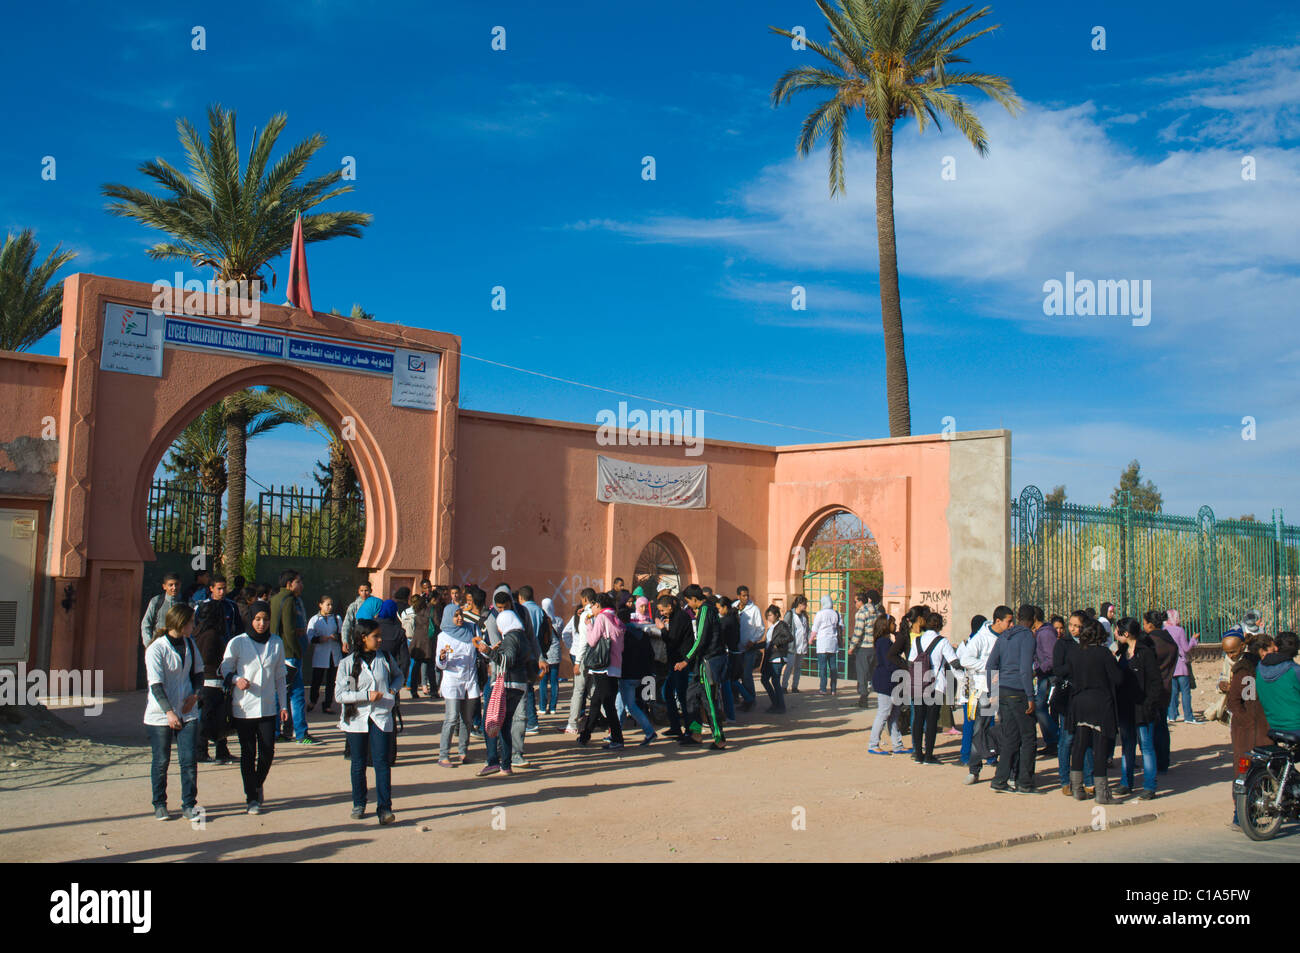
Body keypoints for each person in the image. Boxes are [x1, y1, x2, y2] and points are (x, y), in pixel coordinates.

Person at [220, 599, 289, 814]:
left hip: (268, 706)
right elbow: (224, 669)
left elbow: (280, 677)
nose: (261, 624)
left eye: (265, 620)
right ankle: (251, 797)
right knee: (248, 752)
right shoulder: (238, 642)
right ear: (250, 619)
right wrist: (236, 679)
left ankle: (257, 783)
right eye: (257, 619)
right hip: (244, 707)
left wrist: (284, 705)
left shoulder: (276, 642)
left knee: (268, 751)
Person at [143, 604, 204, 821]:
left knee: (188, 760)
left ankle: (189, 804)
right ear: (180, 623)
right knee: (161, 761)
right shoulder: (156, 648)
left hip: (188, 711)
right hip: (161, 715)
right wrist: (169, 712)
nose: (193, 625)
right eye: (191, 622)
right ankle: (159, 803)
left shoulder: (190, 644)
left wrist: (195, 696)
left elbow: (199, 674)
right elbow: (156, 684)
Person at [336, 619, 398, 824]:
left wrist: (392, 690)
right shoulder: (347, 663)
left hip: (380, 716)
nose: (380, 640)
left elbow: (399, 676)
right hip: (357, 719)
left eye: (380, 636)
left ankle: (385, 808)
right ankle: (359, 803)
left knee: (382, 762)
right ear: (363, 638)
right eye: (375, 636)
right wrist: (365, 695)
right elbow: (341, 695)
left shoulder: (386, 658)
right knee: (358, 763)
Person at [1059, 617, 1122, 802]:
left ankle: (1077, 789)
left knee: (1079, 745)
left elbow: (1066, 672)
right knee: (1100, 748)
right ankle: (1102, 793)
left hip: (1078, 702)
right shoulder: (1103, 654)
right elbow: (1118, 679)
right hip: (1100, 703)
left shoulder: (1073, 653)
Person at [476, 592, 531, 774]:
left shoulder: (511, 638)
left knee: (492, 721)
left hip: (507, 684)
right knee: (505, 724)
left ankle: (495, 761)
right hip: (519, 684)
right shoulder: (521, 636)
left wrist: (489, 651)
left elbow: (507, 661)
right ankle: (505, 765)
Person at [987, 604, 1038, 794]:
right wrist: (1031, 697)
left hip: (1003, 691)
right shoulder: (1027, 637)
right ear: (1032, 619)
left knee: (1010, 738)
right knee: (1028, 738)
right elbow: (1025, 669)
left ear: (1017, 617)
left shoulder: (1004, 637)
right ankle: (1024, 781)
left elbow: (991, 664)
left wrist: (993, 692)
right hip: (1019, 692)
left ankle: (1000, 780)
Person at [1225, 633, 1271, 827]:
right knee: (1247, 771)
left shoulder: (1249, 670)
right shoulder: (1248, 671)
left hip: (1253, 728)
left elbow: (1235, 700)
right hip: (1252, 729)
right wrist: (1247, 720)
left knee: (1252, 771)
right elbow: (1235, 701)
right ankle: (1242, 814)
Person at [1114, 618, 1162, 800]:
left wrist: (1149, 704)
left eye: (1118, 631)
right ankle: (1126, 783)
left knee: (1147, 747)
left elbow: (1156, 682)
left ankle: (1150, 786)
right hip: (1126, 708)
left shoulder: (1145, 653)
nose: (1116, 634)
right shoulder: (1123, 653)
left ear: (1126, 633)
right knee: (1127, 746)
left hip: (1143, 708)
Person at [959, 608, 1008, 782]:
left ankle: (1003, 768)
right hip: (985, 690)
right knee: (980, 729)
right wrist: (989, 665)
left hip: (1005, 688)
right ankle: (974, 769)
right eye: (1008, 621)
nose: (1011, 625)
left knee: (1006, 728)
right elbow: (965, 660)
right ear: (997, 621)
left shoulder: (1007, 637)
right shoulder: (980, 638)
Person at [676, 584, 727, 749]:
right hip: (702, 661)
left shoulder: (705, 610)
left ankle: (719, 739)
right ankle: (696, 734)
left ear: (695, 599)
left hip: (708, 660)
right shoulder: (707, 609)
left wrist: (686, 660)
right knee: (691, 696)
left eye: (689, 602)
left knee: (709, 701)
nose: (689, 605)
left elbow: (701, 639)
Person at [270, 570, 318, 745]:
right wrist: (296, 650)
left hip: (281, 652)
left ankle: (278, 731)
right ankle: (301, 733)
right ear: (289, 583)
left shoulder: (276, 599)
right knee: (296, 694)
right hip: (289, 654)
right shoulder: (288, 600)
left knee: (280, 692)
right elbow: (289, 630)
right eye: (298, 582)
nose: (301, 585)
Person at [577, 592, 626, 750]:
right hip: (615, 666)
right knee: (597, 702)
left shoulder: (601, 618)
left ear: (598, 605)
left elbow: (592, 641)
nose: (591, 608)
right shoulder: (617, 619)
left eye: (593, 605)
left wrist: (589, 625)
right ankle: (586, 735)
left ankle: (617, 738)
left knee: (607, 704)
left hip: (602, 667)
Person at [435, 602, 480, 767]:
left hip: (470, 680)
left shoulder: (472, 629)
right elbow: (441, 666)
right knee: (452, 717)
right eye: (456, 615)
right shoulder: (443, 636)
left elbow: (480, 650)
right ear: (448, 617)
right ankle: (443, 755)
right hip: (452, 680)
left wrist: (484, 647)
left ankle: (463, 752)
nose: (460, 618)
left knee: (467, 719)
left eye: (461, 614)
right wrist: (442, 657)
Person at [192, 600, 235, 765]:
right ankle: (201, 752)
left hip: (207, 682)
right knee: (209, 719)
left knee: (215, 718)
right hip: (211, 682)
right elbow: (207, 658)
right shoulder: (211, 635)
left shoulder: (197, 633)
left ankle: (221, 751)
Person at [906, 611, 948, 764]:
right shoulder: (943, 642)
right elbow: (954, 661)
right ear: (940, 625)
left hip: (918, 684)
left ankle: (918, 754)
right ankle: (929, 755)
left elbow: (910, 662)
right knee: (931, 720)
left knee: (918, 718)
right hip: (935, 685)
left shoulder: (917, 641)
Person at [616, 603, 656, 745]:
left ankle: (649, 731)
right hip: (641, 674)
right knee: (622, 704)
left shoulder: (622, 634)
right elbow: (651, 654)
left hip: (626, 674)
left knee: (629, 706)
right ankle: (615, 732)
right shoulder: (642, 634)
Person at [1144, 610, 1177, 771]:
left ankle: (1155, 763)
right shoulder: (1169, 641)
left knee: (1151, 729)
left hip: (1152, 689)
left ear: (1150, 624)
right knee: (1162, 726)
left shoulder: (1151, 642)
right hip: (1166, 687)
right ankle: (1164, 761)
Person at [564, 588, 599, 734]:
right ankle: (610, 720)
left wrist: (578, 662)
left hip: (584, 656)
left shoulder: (586, 615)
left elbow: (583, 641)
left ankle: (572, 724)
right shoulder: (599, 614)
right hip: (597, 656)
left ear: (584, 599)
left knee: (578, 691)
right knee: (594, 690)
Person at [658, 593, 693, 737]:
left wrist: (662, 629)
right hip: (674, 662)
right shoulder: (675, 617)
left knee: (682, 694)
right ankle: (675, 726)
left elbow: (672, 640)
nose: (661, 613)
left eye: (662, 610)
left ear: (670, 607)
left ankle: (689, 730)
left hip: (681, 662)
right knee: (668, 692)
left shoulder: (680, 618)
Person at [1256, 632, 1300, 733]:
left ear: (1275, 647)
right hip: (1296, 726)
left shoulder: (1259, 668)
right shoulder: (1295, 671)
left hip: (1271, 724)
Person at [306, 596, 343, 715]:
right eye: (327, 604)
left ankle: (327, 704)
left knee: (331, 681)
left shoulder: (337, 618)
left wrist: (337, 637)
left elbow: (342, 634)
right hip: (321, 653)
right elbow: (309, 637)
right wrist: (320, 638)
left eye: (331, 604)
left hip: (334, 653)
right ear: (320, 605)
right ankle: (313, 701)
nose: (330, 607)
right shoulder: (314, 619)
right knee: (317, 680)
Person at [1164, 610, 1201, 724]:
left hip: (1170, 666)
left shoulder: (1164, 631)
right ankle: (1188, 717)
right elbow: (1185, 648)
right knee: (1185, 692)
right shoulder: (1180, 630)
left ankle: (1171, 715)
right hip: (1181, 665)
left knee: (1173, 692)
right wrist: (1193, 640)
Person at [1032, 605, 1059, 754]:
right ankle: (1052, 741)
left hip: (1048, 676)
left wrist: (1037, 671)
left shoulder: (1045, 634)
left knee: (1040, 708)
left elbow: (1051, 659)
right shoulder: (1041, 633)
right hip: (1044, 675)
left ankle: (1056, 737)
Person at [734, 586, 764, 712]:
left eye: (747, 595)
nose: (746, 598)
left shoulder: (754, 609)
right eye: (743, 595)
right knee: (736, 675)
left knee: (747, 675)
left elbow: (760, 628)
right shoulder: (734, 607)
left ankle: (750, 700)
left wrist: (753, 641)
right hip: (736, 649)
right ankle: (739, 698)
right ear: (738, 596)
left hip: (749, 648)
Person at [759, 604, 792, 713]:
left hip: (778, 657)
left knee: (775, 681)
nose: (769, 617)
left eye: (770, 615)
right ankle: (775, 703)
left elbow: (789, 637)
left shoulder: (781, 625)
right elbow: (768, 643)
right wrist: (754, 646)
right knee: (764, 679)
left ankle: (780, 706)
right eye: (767, 615)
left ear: (777, 615)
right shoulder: (771, 627)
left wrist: (777, 643)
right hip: (771, 657)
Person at [848, 591, 877, 709]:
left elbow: (858, 632)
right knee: (870, 672)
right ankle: (865, 697)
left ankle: (863, 698)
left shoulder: (861, 613)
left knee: (862, 674)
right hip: (873, 646)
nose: (855, 604)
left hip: (864, 647)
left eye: (855, 601)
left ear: (860, 601)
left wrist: (851, 647)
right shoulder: (876, 612)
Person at [716, 596, 741, 722]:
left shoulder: (726, 621)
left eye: (719, 608)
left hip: (729, 653)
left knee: (728, 683)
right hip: (733, 651)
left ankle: (748, 698)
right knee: (729, 683)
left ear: (725, 607)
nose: (719, 611)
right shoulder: (732, 618)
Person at [811, 595, 842, 696]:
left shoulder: (820, 614)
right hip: (833, 643)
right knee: (833, 667)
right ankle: (833, 689)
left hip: (822, 643)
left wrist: (810, 639)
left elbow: (815, 629)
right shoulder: (836, 613)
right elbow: (841, 627)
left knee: (823, 667)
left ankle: (823, 689)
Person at [141, 573, 181, 647]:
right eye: (171, 585)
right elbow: (146, 624)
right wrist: (149, 645)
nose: (174, 587)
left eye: (176, 584)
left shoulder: (186, 603)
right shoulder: (156, 601)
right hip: (158, 646)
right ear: (164, 586)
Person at [539, 597, 564, 714]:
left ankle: (543, 707)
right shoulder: (559, 621)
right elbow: (560, 635)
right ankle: (553, 707)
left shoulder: (540, 620)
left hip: (544, 654)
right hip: (555, 653)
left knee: (543, 681)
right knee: (554, 682)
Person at [780, 596, 810, 694]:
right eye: (804, 604)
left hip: (802, 645)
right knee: (789, 666)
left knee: (798, 667)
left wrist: (809, 638)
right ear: (799, 604)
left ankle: (795, 686)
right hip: (791, 646)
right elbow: (783, 628)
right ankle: (784, 686)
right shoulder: (790, 614)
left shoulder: (804, 616)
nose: (805, 606)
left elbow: (807, 630)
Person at [340, 582, 373, 654]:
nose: (364, 593)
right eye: (362, 591)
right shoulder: (353, 606)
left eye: (366, 590)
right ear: (358, 591)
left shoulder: (376, 605)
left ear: (371, 590)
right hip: (357, 642)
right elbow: (346, 625)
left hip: (372, 641)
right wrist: (345, 640)